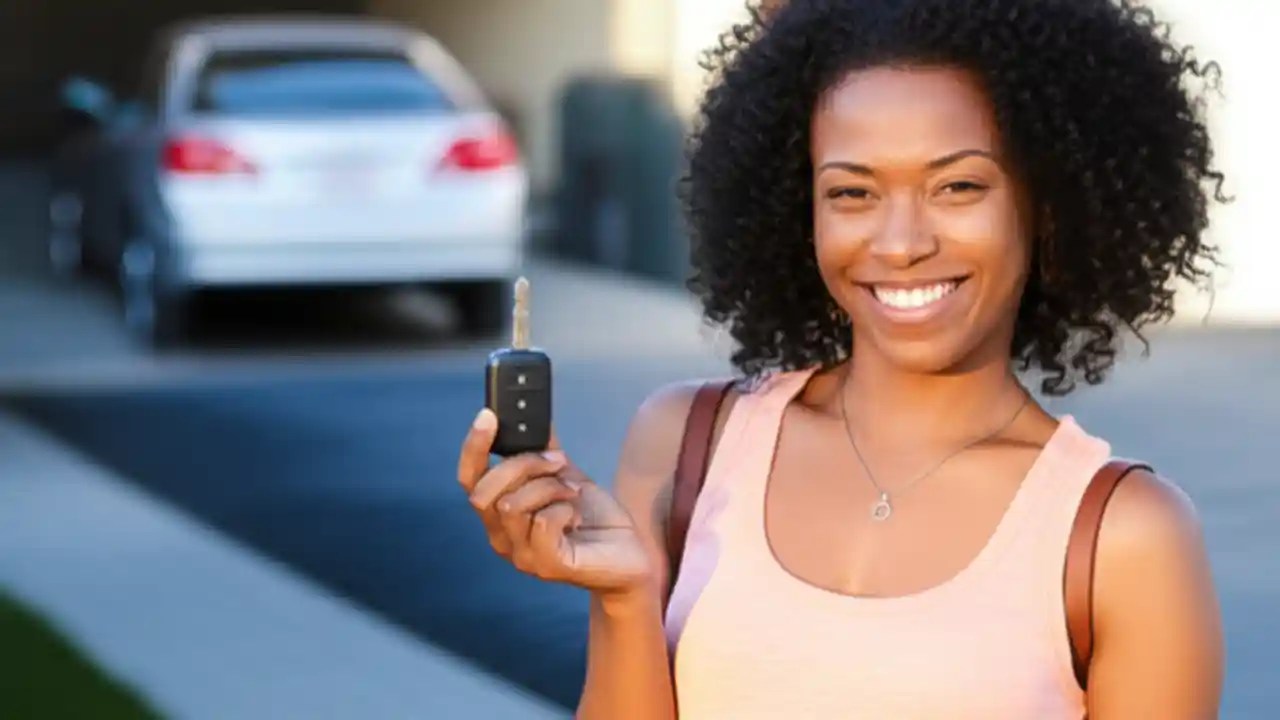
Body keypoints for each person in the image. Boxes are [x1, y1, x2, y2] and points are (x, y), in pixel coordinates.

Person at [457, 0, 1228, 717]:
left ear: (1048, 203)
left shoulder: (1122, 539)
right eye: (852, 194)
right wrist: (628, 599)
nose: (900, 243)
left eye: (958, 186)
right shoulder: (685, 447)